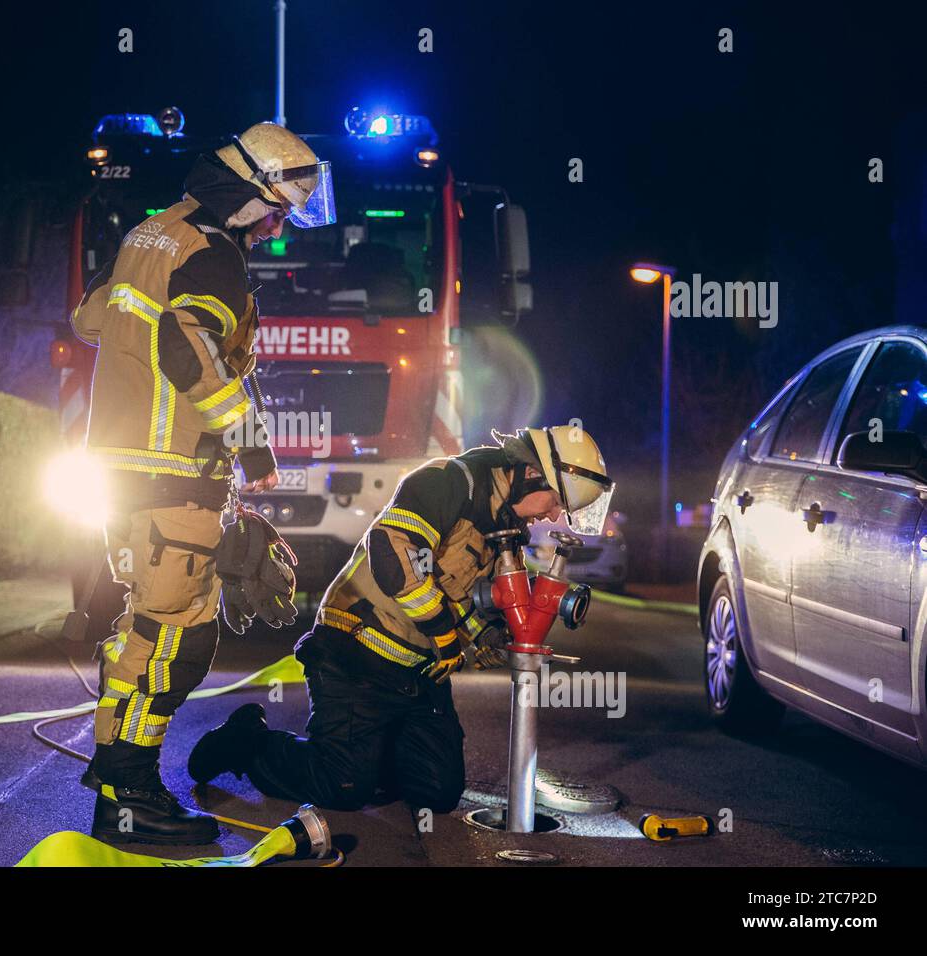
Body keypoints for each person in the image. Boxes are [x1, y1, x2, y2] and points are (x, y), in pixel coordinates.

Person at [70, 122, 335, 845]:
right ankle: (130, 798)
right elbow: (187, 352)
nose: (280, 227)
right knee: (176, 640)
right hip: (173, 470)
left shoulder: (150, 233)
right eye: (279, 210)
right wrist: (253, 451)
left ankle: (121, 784)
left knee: (144, 633)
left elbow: (92, 317)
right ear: (253, 193)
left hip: (122, 468)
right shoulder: (215, 255)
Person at [187, 426, 613, 815]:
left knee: (436, 793)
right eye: (555, 501)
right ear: (532, 474)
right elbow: (394, 558)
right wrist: (446, 637)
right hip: (355, 653)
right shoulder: (448, 482)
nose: (553, 516)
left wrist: (489, 638)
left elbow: (458, 594)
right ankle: (247, 743)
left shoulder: (506, 529)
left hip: (417, 673)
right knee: (344, 786)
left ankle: (370, 756)